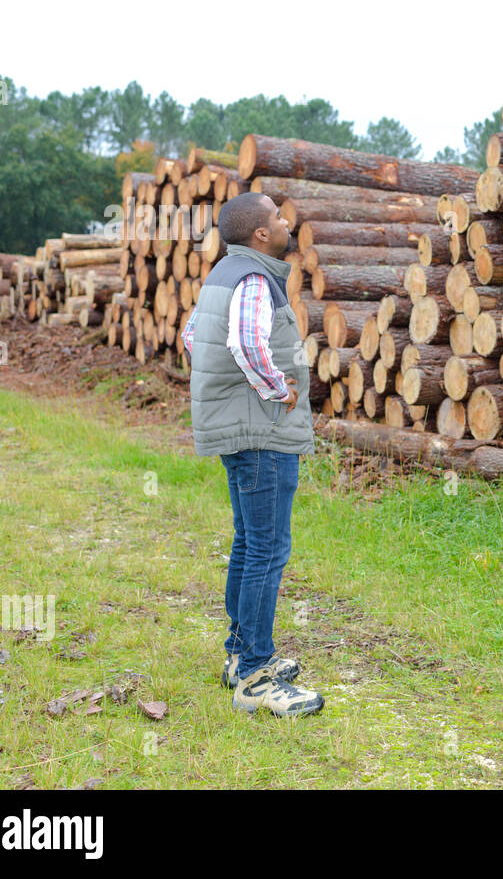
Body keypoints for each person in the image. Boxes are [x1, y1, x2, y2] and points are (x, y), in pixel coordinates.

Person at [180, 192, 324, 718]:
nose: (288, 223)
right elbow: (244, 342)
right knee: (268, 549)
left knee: (249, 543)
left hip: (240, 432)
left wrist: (229, 391)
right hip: (261, 434)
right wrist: (273, 389)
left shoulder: (224, 273)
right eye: (278, 218)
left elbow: (193, 337)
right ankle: (256, 678)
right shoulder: (255, 278)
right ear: (261, 234)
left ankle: (239, 657)